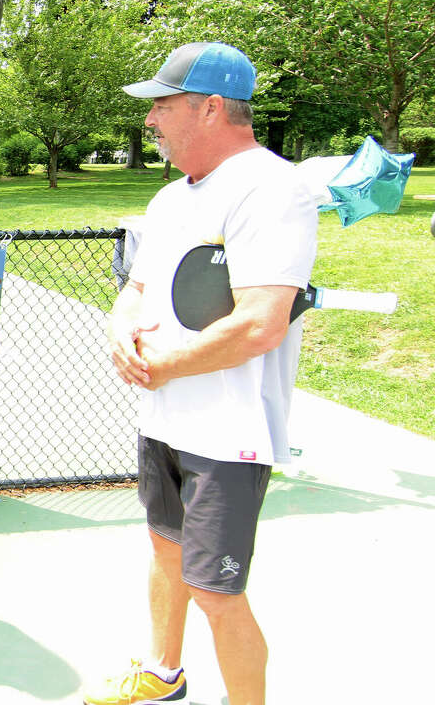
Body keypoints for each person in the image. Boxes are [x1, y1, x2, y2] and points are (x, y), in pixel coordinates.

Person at [85, 43, 317, 705]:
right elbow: (135, 288)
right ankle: (163, 672)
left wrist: (161, 366)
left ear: (210, 107)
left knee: (217, 588)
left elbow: (260, 324)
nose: (151, 120)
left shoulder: (275, 190)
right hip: (163, 418)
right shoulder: (166, 201)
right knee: (165, 549)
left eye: (162, 104)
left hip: (227, 431)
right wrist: (118, 326)